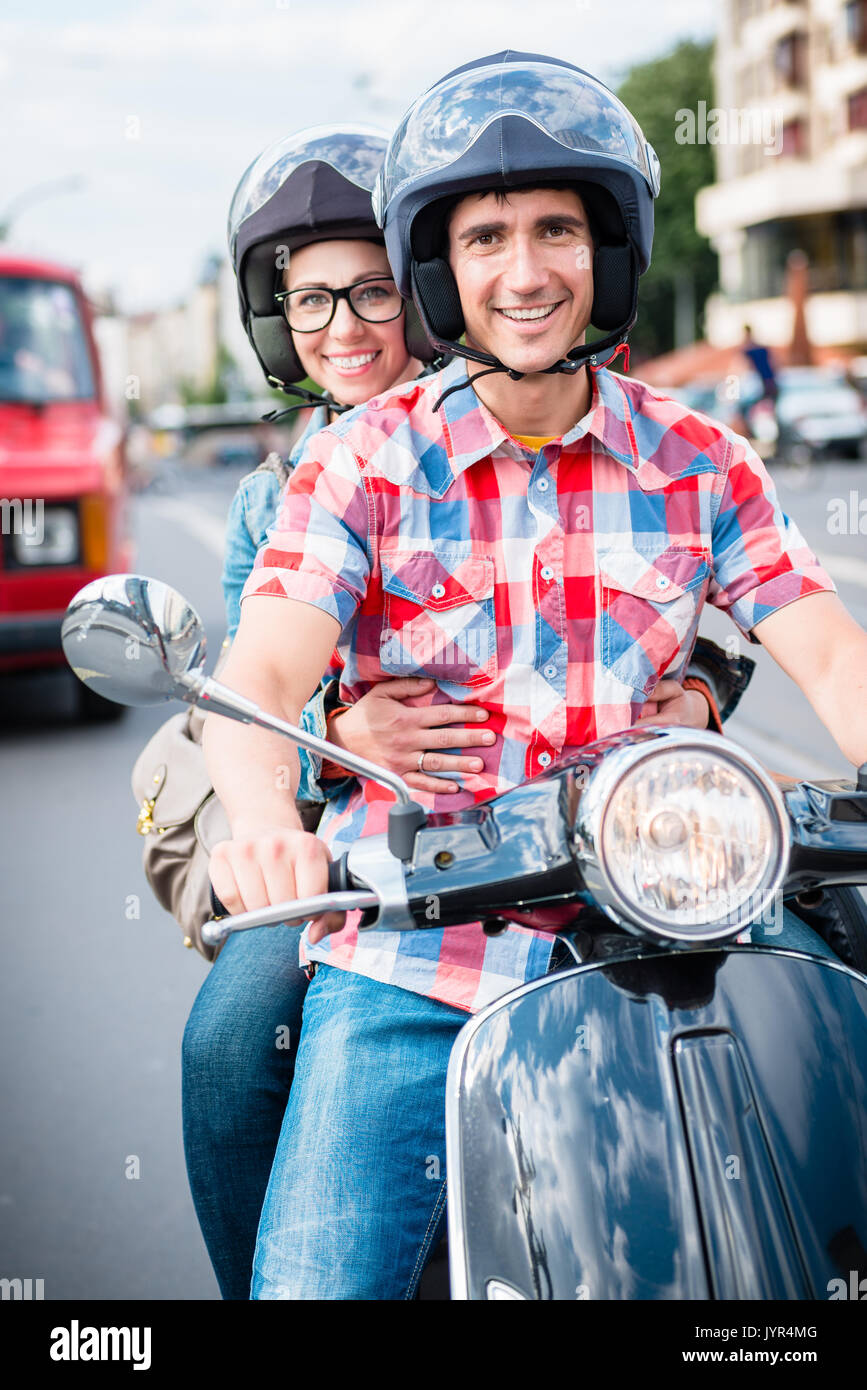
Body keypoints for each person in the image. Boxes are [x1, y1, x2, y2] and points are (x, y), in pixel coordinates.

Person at [204, 53, 867, 1300]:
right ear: (442, 271)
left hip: (679, 931)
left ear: (608, 252)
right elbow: (260, 668)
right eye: (487, 234)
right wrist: (259, 827)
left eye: (557, 227)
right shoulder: (361, 463)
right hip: (413, 957)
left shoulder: (704, 459)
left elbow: (829, 647)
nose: (524, 272)